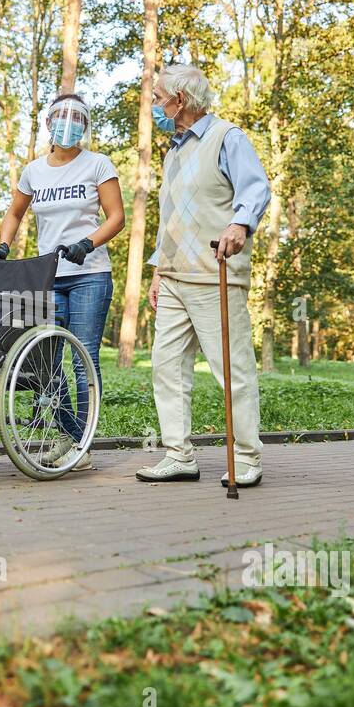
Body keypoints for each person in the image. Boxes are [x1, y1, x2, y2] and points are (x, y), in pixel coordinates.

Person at [134, 64, 271, 487]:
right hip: (174, 278)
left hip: (215, 274)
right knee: (167, 366)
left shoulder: (227, 137)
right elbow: (171, 219)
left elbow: (256, 188)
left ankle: (247, 458)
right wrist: (158, 270)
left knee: (232, 369)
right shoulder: (174, 151)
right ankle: (179, 455)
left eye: (158, 97)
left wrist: (240, 225)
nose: (154, 105)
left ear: (181, 100)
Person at [0, 93, 125, 471]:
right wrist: (2, 245)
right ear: (48, 123)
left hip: (89, 275)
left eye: (77, 117)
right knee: (47, 361)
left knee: (83, 360)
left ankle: (79, 445)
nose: (69, 123)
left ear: (85, 125)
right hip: (49, 275)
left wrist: (87, 242)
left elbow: (116, 217)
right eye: (61, 116)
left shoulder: (98, 164)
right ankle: (69, 435)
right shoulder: (34, 171)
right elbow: (14, 212)